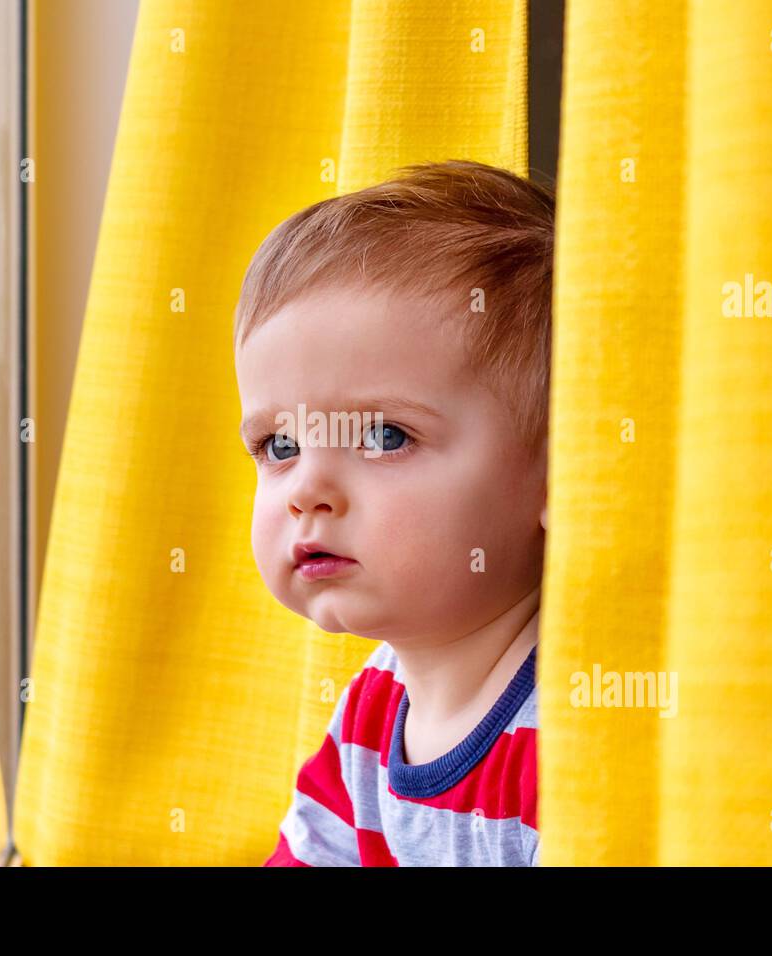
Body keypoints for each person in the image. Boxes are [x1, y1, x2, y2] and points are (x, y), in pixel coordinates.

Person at [233, 160, 553, 866]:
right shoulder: (372, 710)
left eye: (385, 436)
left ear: (560, 476)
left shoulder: (570, 733)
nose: (306, 489)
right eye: (278, 444)